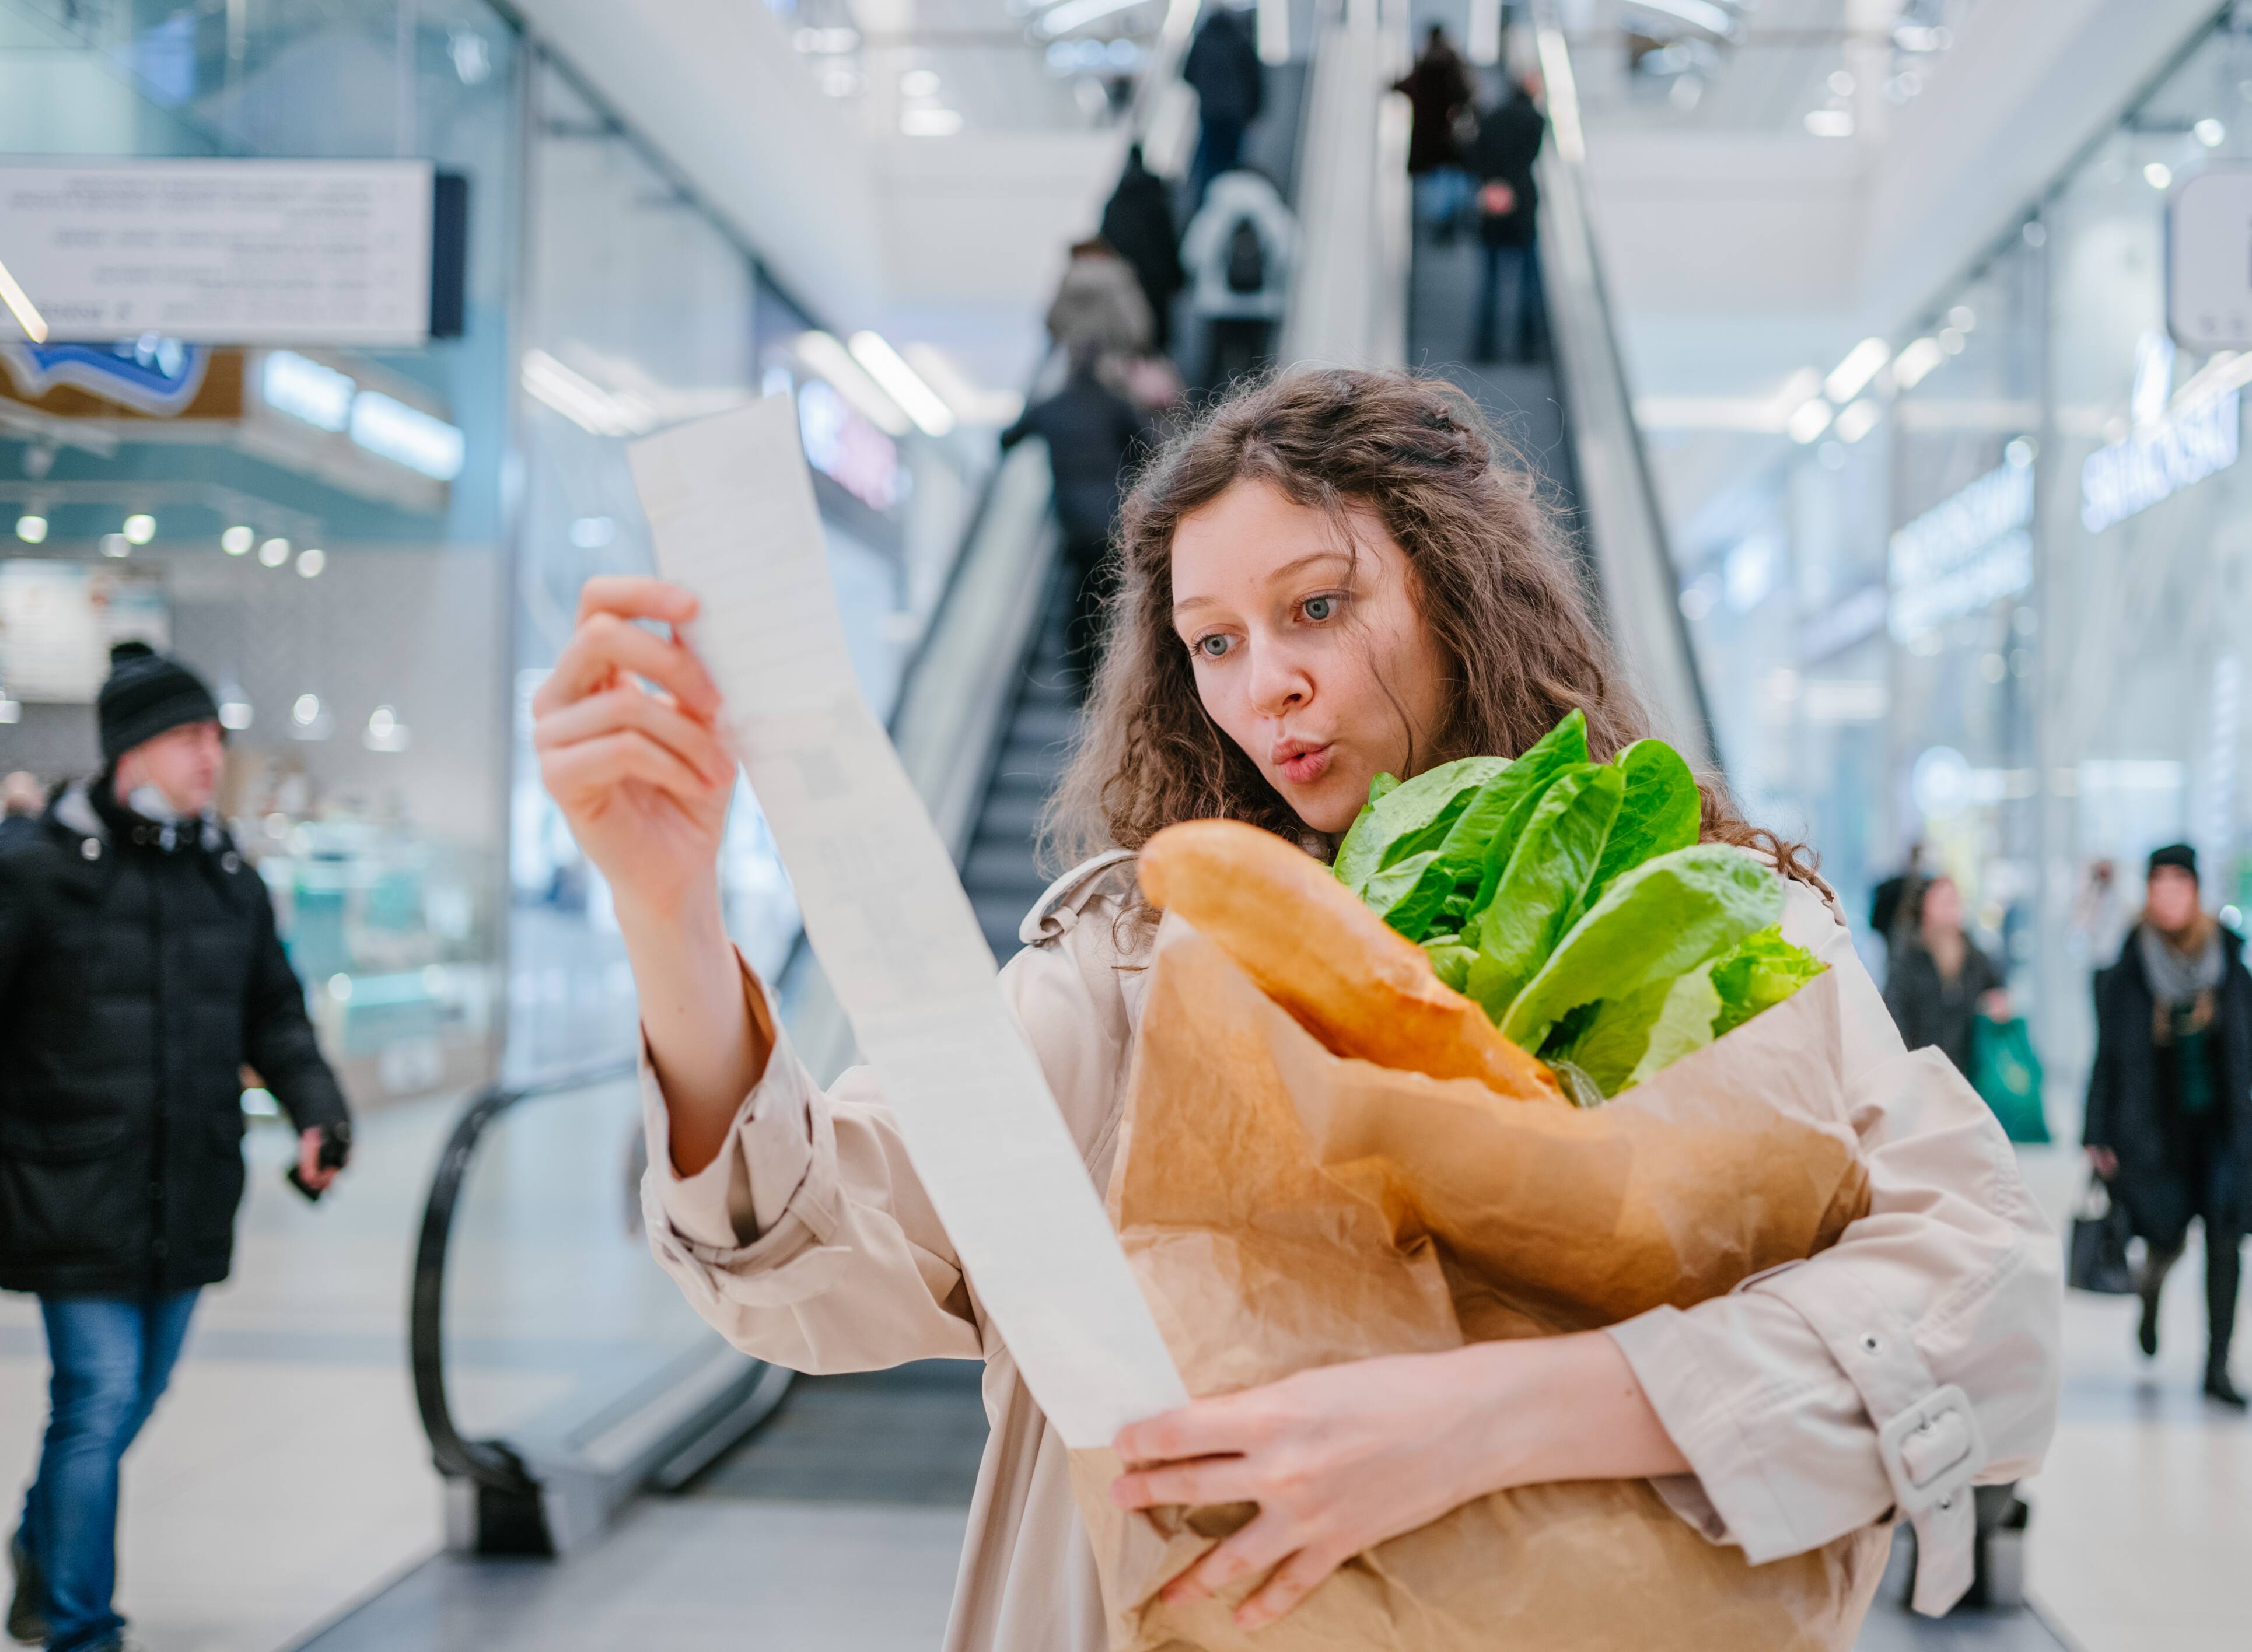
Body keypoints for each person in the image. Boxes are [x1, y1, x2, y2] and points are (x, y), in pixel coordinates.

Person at [532, 368, 2057, 1651]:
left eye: (1316, 607)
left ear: (1459, 591)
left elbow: (1979, 1301)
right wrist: (667, 910)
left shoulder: (1708, 916)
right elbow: (813, 1246)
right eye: (1215, 642)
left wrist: (1501, 1414)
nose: (1267, 685)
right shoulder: (1133, 971)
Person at [1, 642, 349, 1652]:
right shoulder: (30, 870)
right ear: (131, 748)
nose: (211, 759)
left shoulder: (225, 874)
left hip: (188, 1182)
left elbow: (275, 1018)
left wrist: (321, 1112)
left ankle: (40, 1545)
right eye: (191, 737)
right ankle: (80, 1629)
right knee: (99, 1398)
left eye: (216, 739)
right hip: (69, 1179)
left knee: (131, 1399)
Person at [2083, 844, 2252, 1410]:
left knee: (2224, 1241)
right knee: (2164, 1238)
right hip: (2152, 1133)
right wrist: (2096, 1135)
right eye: (2157, 886)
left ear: (2194, 893)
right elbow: (2108, 1058)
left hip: (2223, 1132)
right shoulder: (2128, 969)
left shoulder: (2229, 963)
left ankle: (2218, 1366)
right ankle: (2150, 1293)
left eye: (2178, 886)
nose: (2167, 897)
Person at [999, 350, 1151, 692]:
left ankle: (1080, 677)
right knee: (1113, 593)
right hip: (1114, 520)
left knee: (1080, 596)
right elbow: (1150, 449)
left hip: (1074, 525)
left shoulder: (1052, 406)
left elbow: (1007, 439)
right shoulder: (1114, 405)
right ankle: (1114, 674)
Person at [1884, 875, 2009, 1079]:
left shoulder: (1974, 957)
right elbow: (1894, 1014)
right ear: (1925, 907)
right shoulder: (1908, 959)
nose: (1951, 908)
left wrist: (1998, 1004)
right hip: (1922, 1074)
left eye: (1954, 901)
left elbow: (1998, 990)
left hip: (1968, 1074)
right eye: (1943, 901)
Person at [1181, 166, 1295, 390]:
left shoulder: (1214, 210)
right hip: (1263, 309)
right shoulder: (1274, 212)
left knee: (1213, 371)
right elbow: (1291, 255)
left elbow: (1191, 257)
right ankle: (1261, 420)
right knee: (1258, 374)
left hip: (1217, 309)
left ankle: (1206, 418)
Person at [1467, 74, 1548, 363]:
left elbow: (1476, 155)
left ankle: (1484, 346)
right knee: (1528, 280)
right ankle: (1528, 346)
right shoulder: (1536, 120)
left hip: (1493, 202)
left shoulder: (1492, 118)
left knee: (1490, 279)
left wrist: (1494, 184)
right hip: (1523, 204)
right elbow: (1529, 156)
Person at [1394, 26, 1477, 240]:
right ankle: (1452, 219)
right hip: (1452, 138)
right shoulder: (1456, 65)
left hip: (1428, 138)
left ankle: (1439, 223)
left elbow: (1407, 86)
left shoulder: (1425, 66)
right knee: (1450, 179)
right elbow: (1469, 94)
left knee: (1434, 182)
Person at [1100, 145, 1184, 355]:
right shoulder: (1156, 202)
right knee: (1153, 341)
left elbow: (1105, 244)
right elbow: (1167, 244)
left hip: (1125, 282)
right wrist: (1177, 278)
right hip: (1155, 283)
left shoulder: (1114, 204)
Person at [1181, 5, 1263, 206]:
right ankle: (1227, 211)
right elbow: (1254, 80)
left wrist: (1207, 89)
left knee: (1208, 167)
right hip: (1235, 115)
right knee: (1232, 167)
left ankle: (1205, 211)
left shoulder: (1203, 39)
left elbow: (1187, 74)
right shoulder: (1239, 39)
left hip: (1210, 114)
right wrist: (1253, 111)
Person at [1043, 239, 1155, 371]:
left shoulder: (1072, 277)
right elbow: (1136, 325)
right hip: (1117, 361)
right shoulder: (1118, 275)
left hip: (1076, 361)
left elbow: (1053, 321)